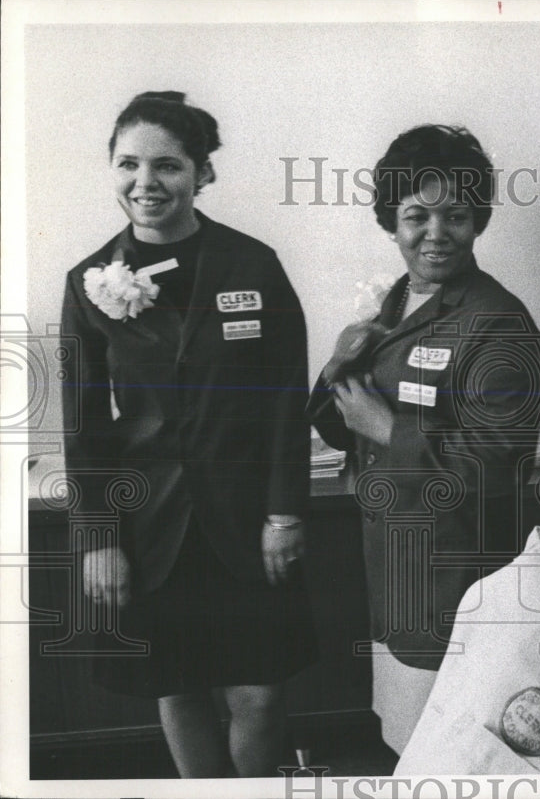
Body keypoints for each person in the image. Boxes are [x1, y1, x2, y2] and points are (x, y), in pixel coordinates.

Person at [61, 91, 316, 777]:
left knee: (259, 695)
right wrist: (100, 539)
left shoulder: (253, 266)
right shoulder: (88, 283)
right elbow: (85, 430)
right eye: (129, 164)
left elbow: (287, 400)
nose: (146, 183)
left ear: (202, 174)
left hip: (245, 521)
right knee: (179, 687)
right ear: (112, 169)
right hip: (151, 527)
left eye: (168, 166)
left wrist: (285, 511)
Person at [308, 124, 540, 754]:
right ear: (392, 219)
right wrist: (335, 366)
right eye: (417, 214)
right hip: (390, 567)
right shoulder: (395, 300)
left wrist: (387, 429)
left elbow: (498, 466)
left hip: (452, 577)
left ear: (478, 221)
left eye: (455, 215)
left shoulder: (500, 323)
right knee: (405, 739)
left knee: (449, 751)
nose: (435, 233)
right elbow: (338, 415)